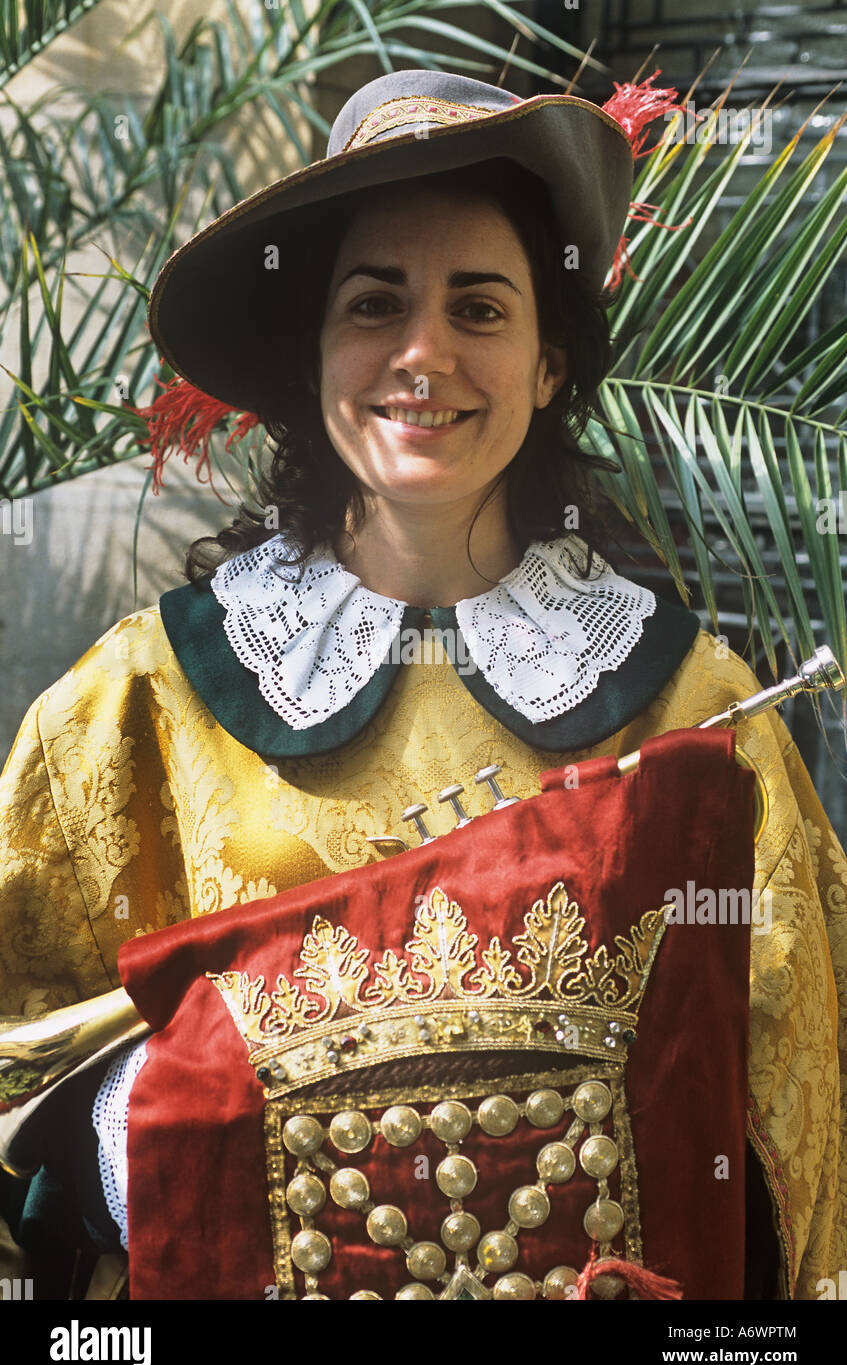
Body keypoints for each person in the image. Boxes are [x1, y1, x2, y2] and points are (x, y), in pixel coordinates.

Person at [0, 68, 844, 1302]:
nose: (423, 353)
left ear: (551, 363)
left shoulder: (702, 717)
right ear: (313, 351)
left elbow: (804, 1147)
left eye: (481, 309)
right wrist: (130, 1143)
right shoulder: (135, 706)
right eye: (374, 302)